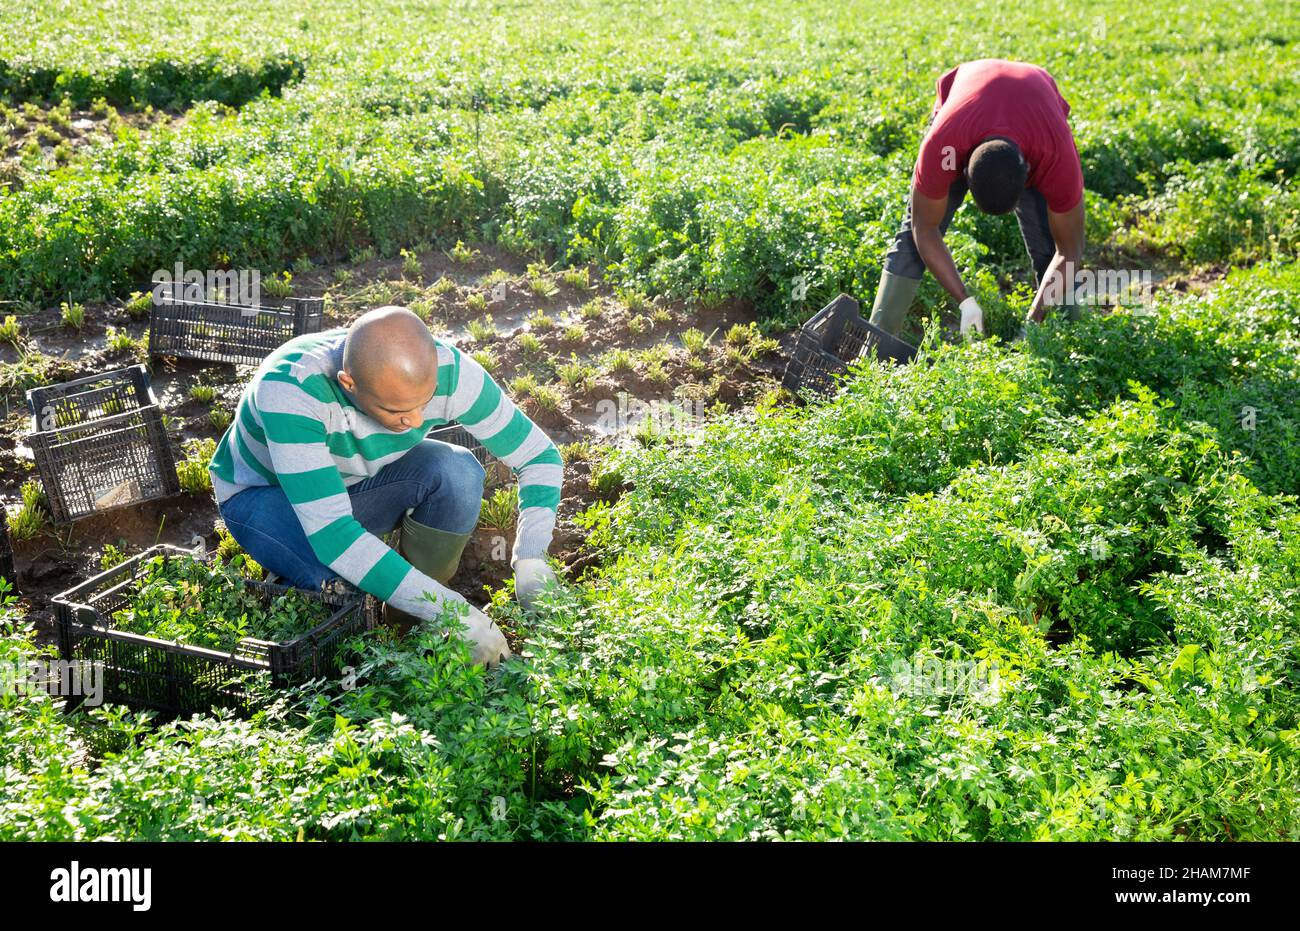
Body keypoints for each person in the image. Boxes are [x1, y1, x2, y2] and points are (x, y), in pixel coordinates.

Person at [209, 305, 564, 668]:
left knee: (457, 472)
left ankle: (408, 619)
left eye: (424, 403)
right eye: (396, 412)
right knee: (345, 589)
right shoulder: (292, 390)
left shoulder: (453, 374)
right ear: (349, 383)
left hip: (354, 486)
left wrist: (532, 556)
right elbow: (334, 535)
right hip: (267, 498)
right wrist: (452, 610)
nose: (415, 421)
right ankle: (298, 580)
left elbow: (539, 456)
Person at [868, 59, 1086, 337]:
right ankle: (877, 340)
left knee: (1047, 245)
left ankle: (1075, 339)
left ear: (1030, 174)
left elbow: (1069, 251)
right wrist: (965, 301)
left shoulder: (1055, 154)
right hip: (967, 110)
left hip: (1036, 107)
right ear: (962, 173)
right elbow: (924, 229)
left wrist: (1034, 319)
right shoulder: (943, 144)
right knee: (912, 240)